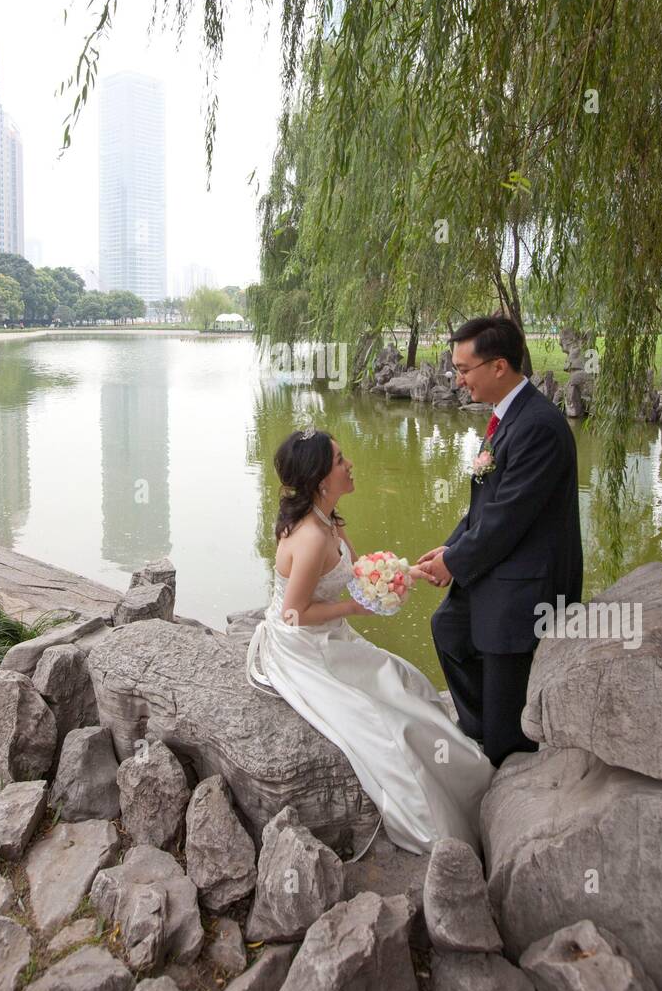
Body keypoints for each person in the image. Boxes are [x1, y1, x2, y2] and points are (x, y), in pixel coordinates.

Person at [246, 427, 494, 860]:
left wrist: (405, 573)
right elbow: (295, 613)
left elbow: (358, 571)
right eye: (341, 460)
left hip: (327, 637)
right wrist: (355, 610)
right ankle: (439, 828)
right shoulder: (309, 538)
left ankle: (474, 790)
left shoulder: (329, 520)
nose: (350, 464)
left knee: (403, 680)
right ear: (322, 478)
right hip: (301, 649)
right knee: (383, 725)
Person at [418, 315, 583, 769]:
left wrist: (455, 562)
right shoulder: (504, 418)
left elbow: (509, 516)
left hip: (527, 580)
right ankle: (482, 732)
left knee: (503, 686)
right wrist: (449, 548)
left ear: (498, 366)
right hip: (497, 562)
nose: (458, 378)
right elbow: (484, 505)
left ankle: (509, 758)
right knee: (448, 627)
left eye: (464, 369)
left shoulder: (537, 427)